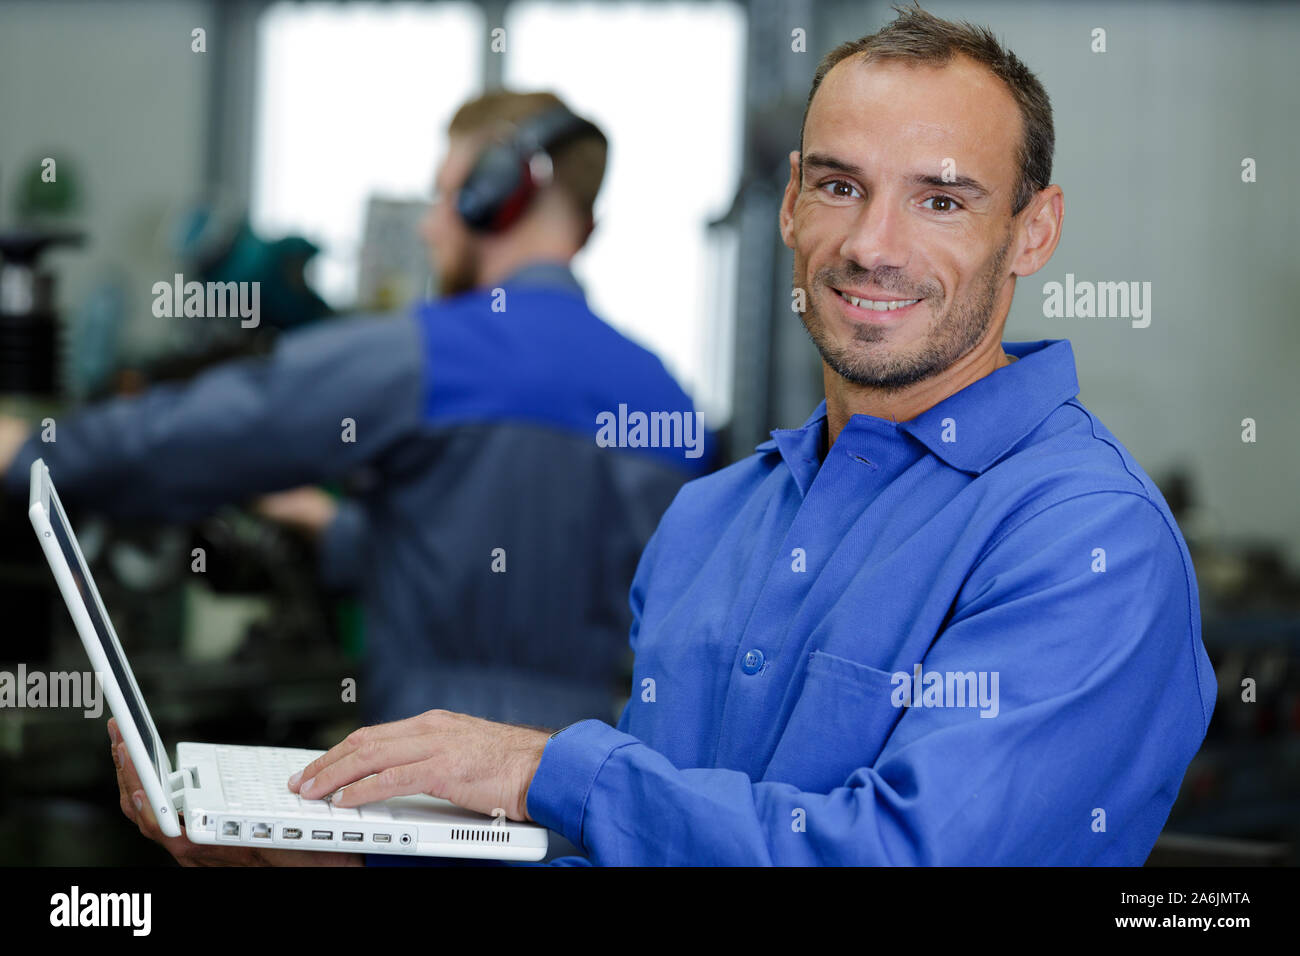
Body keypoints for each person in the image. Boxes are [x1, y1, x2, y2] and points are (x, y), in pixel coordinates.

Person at [111, 4, 1215, 866]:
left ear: (1034, 231)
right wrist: (337, 856)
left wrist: (545, 770)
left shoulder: (1085, 540)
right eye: (840, 185)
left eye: (941, 200)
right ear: (790, 205)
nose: (872, 244)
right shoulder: (714, 516)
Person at [2, 90, 709, 733]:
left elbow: (228, 424)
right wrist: (331, 526)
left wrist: (37, 452)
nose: (429, 228)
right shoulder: (668, 403)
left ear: (493, 199)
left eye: (443, 196)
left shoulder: (434, 356)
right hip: (589, 776)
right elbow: (509, 569)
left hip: (428, 774)